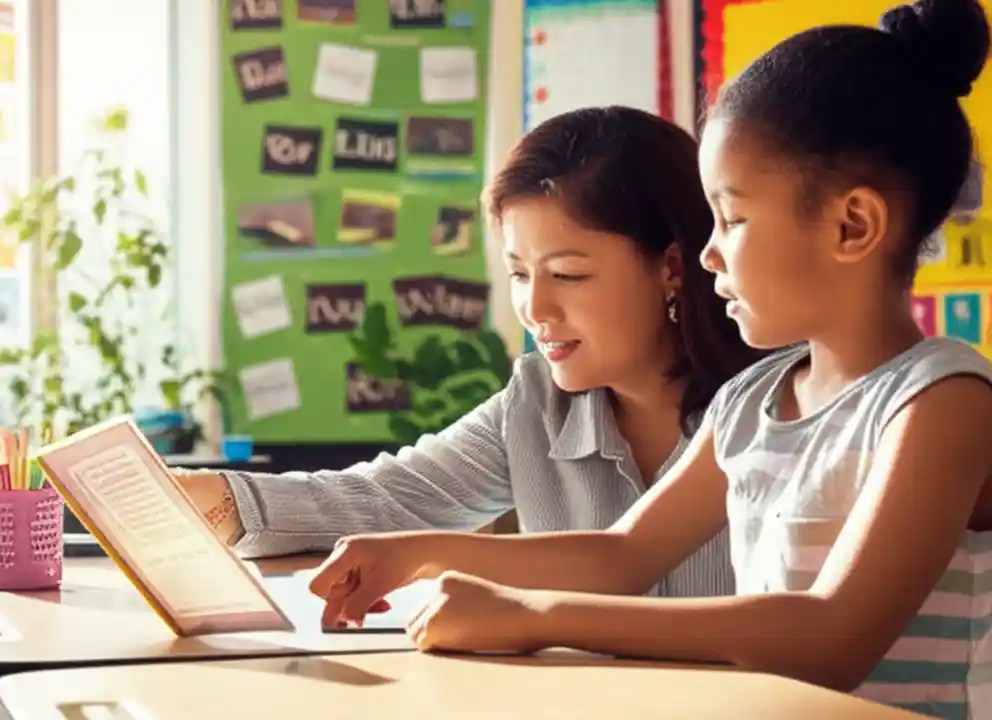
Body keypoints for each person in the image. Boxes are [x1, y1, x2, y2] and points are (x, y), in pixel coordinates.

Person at [307, 1, 992, 717]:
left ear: (852, 225)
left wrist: (537, 617)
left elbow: (833, 636)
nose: (707, 253)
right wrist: (411, 554)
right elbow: (622, 555)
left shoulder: (942, 401)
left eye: (733, 218)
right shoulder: (753, 401)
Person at [175, 107, 763, 598]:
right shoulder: (535, 404)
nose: (536, 308)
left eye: (568, 274)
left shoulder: (780, 403)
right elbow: (385, 500)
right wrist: (211, 498)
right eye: (517, 273)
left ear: (672, 267)